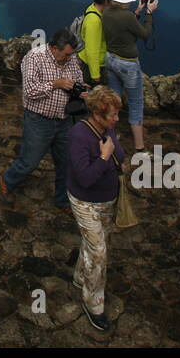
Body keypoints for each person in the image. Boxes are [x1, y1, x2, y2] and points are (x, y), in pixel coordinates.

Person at [0, 28, 82, 213]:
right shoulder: (34, 58)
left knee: (66, 161)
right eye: (67, 54)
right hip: (39, 119)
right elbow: (30, 91)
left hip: (64, 119)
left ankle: (62, 200)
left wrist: (79, 89)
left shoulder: (72, 59)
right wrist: (56, 84)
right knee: (30, 161)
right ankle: (8, 179)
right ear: (54, 48)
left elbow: (77, 78)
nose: (70, 58)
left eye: (72, 55)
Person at [67, 84, 128, 332]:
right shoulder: (78, 136)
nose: (116, 119)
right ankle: (94, 303)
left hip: (107, 200)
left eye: (117, 114)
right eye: (112, 115)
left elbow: (120, 156)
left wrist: (117, 160)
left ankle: (80, 276)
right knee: (99, 252)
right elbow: (84, 178)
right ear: (97, 114)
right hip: (85, 201)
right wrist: (104, 158)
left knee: (95, 244)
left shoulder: (109, 130)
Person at [100, 0, 157, 151]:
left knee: (114, 99)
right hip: (128, 64)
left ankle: (109, 134)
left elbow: (124, 25)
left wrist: (138, 11)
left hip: (111, 59)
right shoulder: (127, 17)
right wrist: (149, 13)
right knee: (136, 103)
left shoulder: (107, 12)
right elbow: (145, 34)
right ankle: (139, 146)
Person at [75, 0, 110, 85]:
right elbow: (92, 50)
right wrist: (95, 76)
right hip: (90, 68)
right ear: (106, 2)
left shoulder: (93, 8)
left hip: (93, 65)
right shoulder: (94, 21)